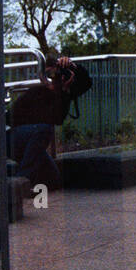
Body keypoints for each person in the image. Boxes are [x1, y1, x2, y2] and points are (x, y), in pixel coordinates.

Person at [9, 55, 91, 191]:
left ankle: (25, 175)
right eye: (49, 75)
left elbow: (87, 83)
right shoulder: (36, 91)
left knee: (53, 178)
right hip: (13, 138)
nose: (53, 78)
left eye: (56, 74)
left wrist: (72, 66)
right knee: (44, 129)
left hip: (33, 143)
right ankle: (21, 180)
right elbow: (47, 122)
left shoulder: (62, 92)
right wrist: (57, 92)